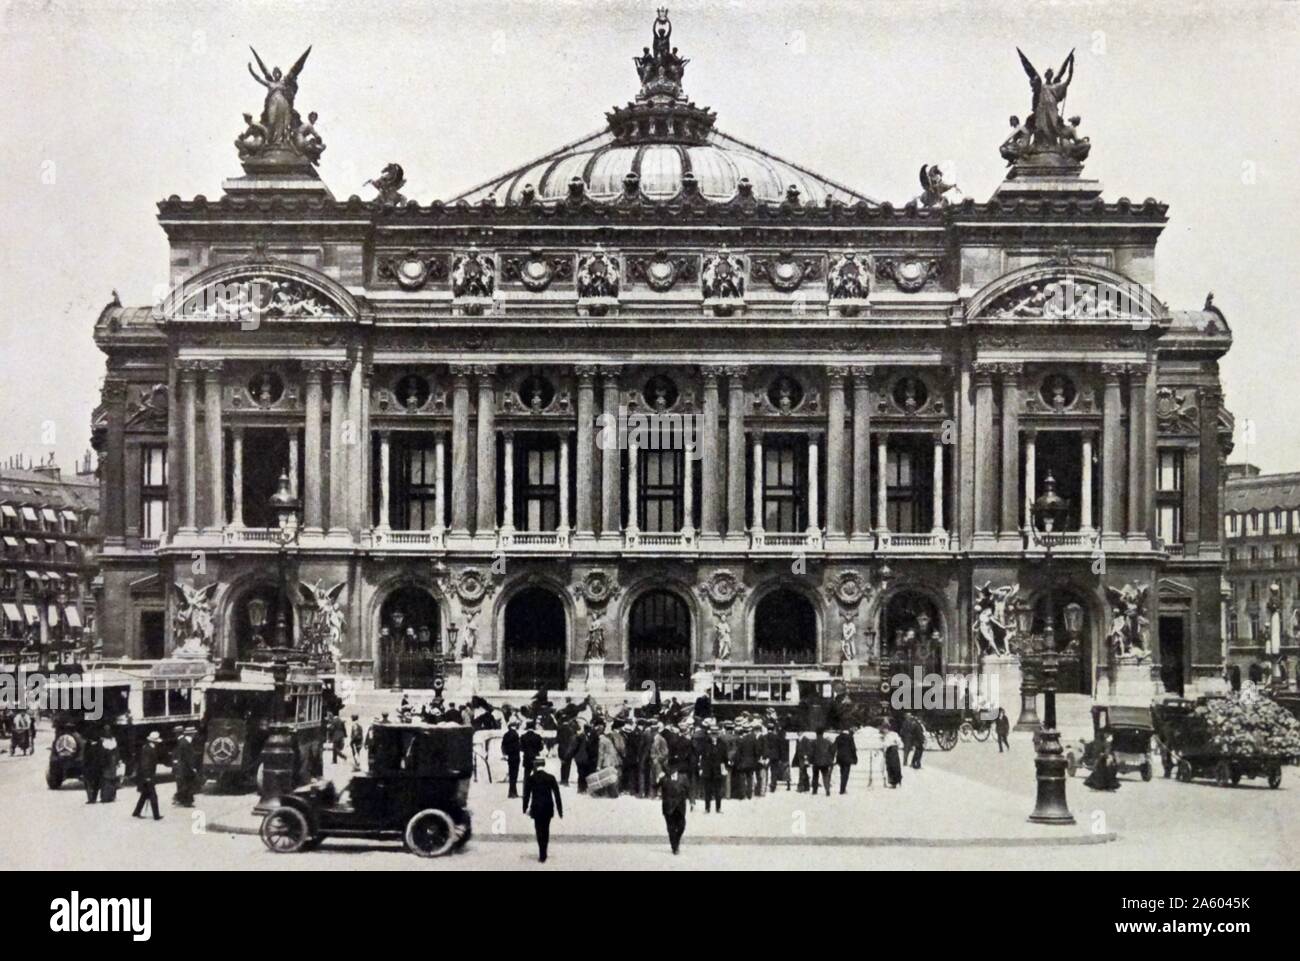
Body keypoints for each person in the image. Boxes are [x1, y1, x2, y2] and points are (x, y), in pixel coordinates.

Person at [521, 756, 563, 863]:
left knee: (538, 830)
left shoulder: (531, 778)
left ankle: (541, 853)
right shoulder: (551, 778)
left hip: (536, 807)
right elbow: (557, 795)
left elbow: (526, 795)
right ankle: (544, 851)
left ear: (535, 766)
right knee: (546, 829)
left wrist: (524, 807)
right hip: (548, 808)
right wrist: (560, 810)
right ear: (544, 765)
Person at [132, 731, 163, 820]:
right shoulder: (148, 749)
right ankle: (156, 816)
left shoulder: (148, 748)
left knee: (144, 795)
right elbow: (145, 764)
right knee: (153, 796)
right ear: (154, 741)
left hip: (146, 776)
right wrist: (148, 776)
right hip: (147, 776)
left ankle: (136, 812)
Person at [698, 725, 729, 813]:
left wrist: (724, 768)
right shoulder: (705, 744)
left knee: (718, 790)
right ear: (710, 734)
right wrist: (701, 768)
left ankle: (718, 808)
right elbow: (702, 758)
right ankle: (707, 808)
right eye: (712, 734)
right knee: (707, 790)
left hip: (718, 770)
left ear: (718, 734)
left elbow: (725, 758)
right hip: (707, 770)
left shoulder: (722, 744)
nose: (714, 736)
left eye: (715, 734)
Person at [661, 768, 688, 854]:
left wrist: (692, 801)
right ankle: (674, 847)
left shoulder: (683, 778)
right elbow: (654, 786)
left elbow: (689, 789)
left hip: (680, 807)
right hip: (668, 807)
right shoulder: (664, 778)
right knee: (671, 828)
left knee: (682, 826)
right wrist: (658, 778)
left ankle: (676, 840)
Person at [172, 725, 199, 807]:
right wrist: (193, 768)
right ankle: (186, 801)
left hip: (183, 768)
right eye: (194, 733)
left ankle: (183, 799)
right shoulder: (186, 743)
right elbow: (188, 757)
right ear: (191, 734)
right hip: (186, 768)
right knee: (188, 784)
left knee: (186, 784)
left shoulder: (183, 742)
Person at [810, 728, 835, 796]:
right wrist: (830, 759)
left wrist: (810, 760)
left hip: (816, 762)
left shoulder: (813, 742)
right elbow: (832, 751)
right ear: (823, 734)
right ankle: (827, 790)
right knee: (825, 776)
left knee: (815, 776)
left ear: (816, 734)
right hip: (825, 762)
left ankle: (814, 790)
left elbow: (811, 753)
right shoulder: (827, 742)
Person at [98, 727, 120, 803]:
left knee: (112, 779)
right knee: (106, 779)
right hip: (107, 762)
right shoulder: (102, 741)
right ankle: (106, 797)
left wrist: (117, 760)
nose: (107, 732)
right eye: (106, 731)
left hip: (112, 762)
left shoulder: (113, 740)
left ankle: (111, 796)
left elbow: (117, 752)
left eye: (108, 731)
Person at [501, 720, 522, 799]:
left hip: (510, 756)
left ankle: (512, 791)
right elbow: (518, 746)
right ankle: (513, 792)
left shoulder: (506, 735)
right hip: (516, 756)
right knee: (514, 775)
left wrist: (505, 754)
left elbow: (503, 746)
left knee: (511, 774)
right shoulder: (516, 735)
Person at [834, 727, 858, 795]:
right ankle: (842, 789)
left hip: (840, 758)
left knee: (842, 773)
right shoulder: (850, 738)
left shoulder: (838, 737)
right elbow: (853, 749)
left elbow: (834, 747)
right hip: (847, 758)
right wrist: (855, 758)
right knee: (846, 774)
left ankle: (842, 788)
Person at [82, 730, 103, 804]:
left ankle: (92, 798)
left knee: (93, 783)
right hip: (92, 767)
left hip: (94, 766)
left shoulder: (96, 744)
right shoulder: (90, 744)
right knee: (92, 783)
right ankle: (92, 798)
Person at [881, 721, 903, 788]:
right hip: (894, 750)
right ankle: (898, 780)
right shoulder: (894, 734)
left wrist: (884, 751)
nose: (884, 731)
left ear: (887, 729)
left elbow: (886, 745)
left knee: (891, 766)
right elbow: (900, 743)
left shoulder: (888, 736)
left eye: (884, 729)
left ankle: (894, 782)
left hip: (890, 750)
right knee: (896, 766)